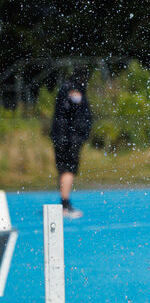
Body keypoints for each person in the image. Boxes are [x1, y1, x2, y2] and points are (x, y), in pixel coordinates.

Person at [51, 74, 93, 219]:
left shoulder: (63, 90)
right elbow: (74, 106)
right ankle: (65, 205)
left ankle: (64, 203)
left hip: (61, 136)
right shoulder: (73, 91)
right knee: (68, 169)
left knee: (64, 169)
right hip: (69, 138)